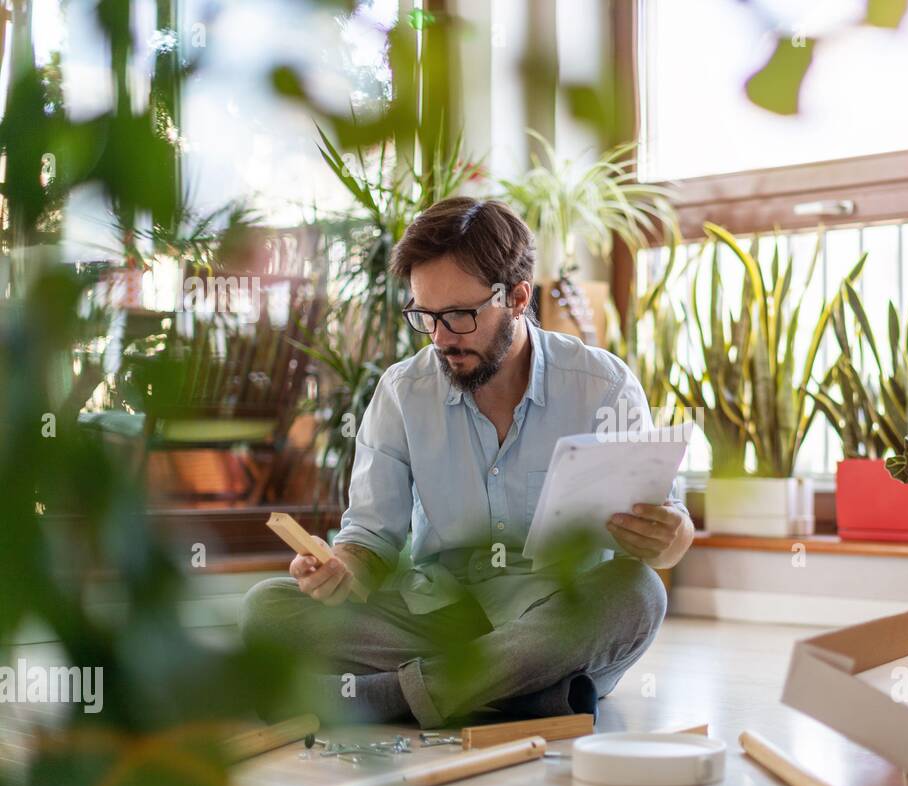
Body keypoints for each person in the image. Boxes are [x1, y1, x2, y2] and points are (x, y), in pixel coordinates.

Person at [239, 197, 693, 727]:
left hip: (556, 617)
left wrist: (668, 535)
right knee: (266, 609)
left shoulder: (602, 386)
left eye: (459, 315)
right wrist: (340, 571)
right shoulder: (402, 392)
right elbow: (369, 538)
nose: (441, 338)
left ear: (518, 296)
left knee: (638, 594)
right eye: (425, 316)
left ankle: (389, 697)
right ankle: (530, 693)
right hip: (438, 620)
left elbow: (671, 529)